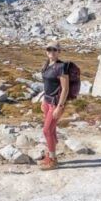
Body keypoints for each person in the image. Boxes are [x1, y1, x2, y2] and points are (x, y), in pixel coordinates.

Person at [39, 41, 70, 170]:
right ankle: (52, 154)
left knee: (46, 130)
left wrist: (60, 107)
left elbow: (65, 89)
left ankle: (52, 159)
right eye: (49, 49)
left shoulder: (61, 67)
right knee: (51, 130)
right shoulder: (46, 65)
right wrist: (42, 100)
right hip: (47, 102)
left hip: (55, 104)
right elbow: (47, 85)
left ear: (59, 52)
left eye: (54, 50)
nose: (51, 52)